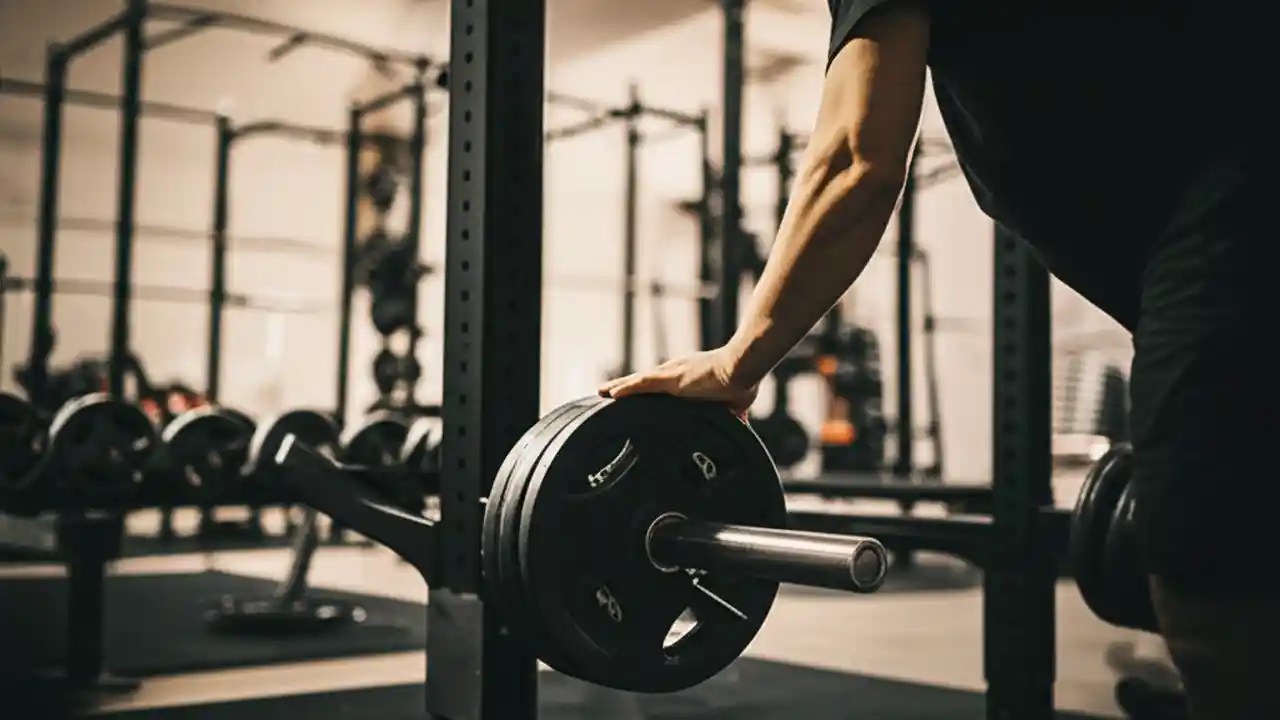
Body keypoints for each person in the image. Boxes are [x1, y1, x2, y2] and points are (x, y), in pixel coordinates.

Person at [600, 3, 1275, 718]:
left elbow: (855, 157)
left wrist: (740, 360)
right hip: (1222, 223)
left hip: (1245, 209)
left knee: (1204, 554)